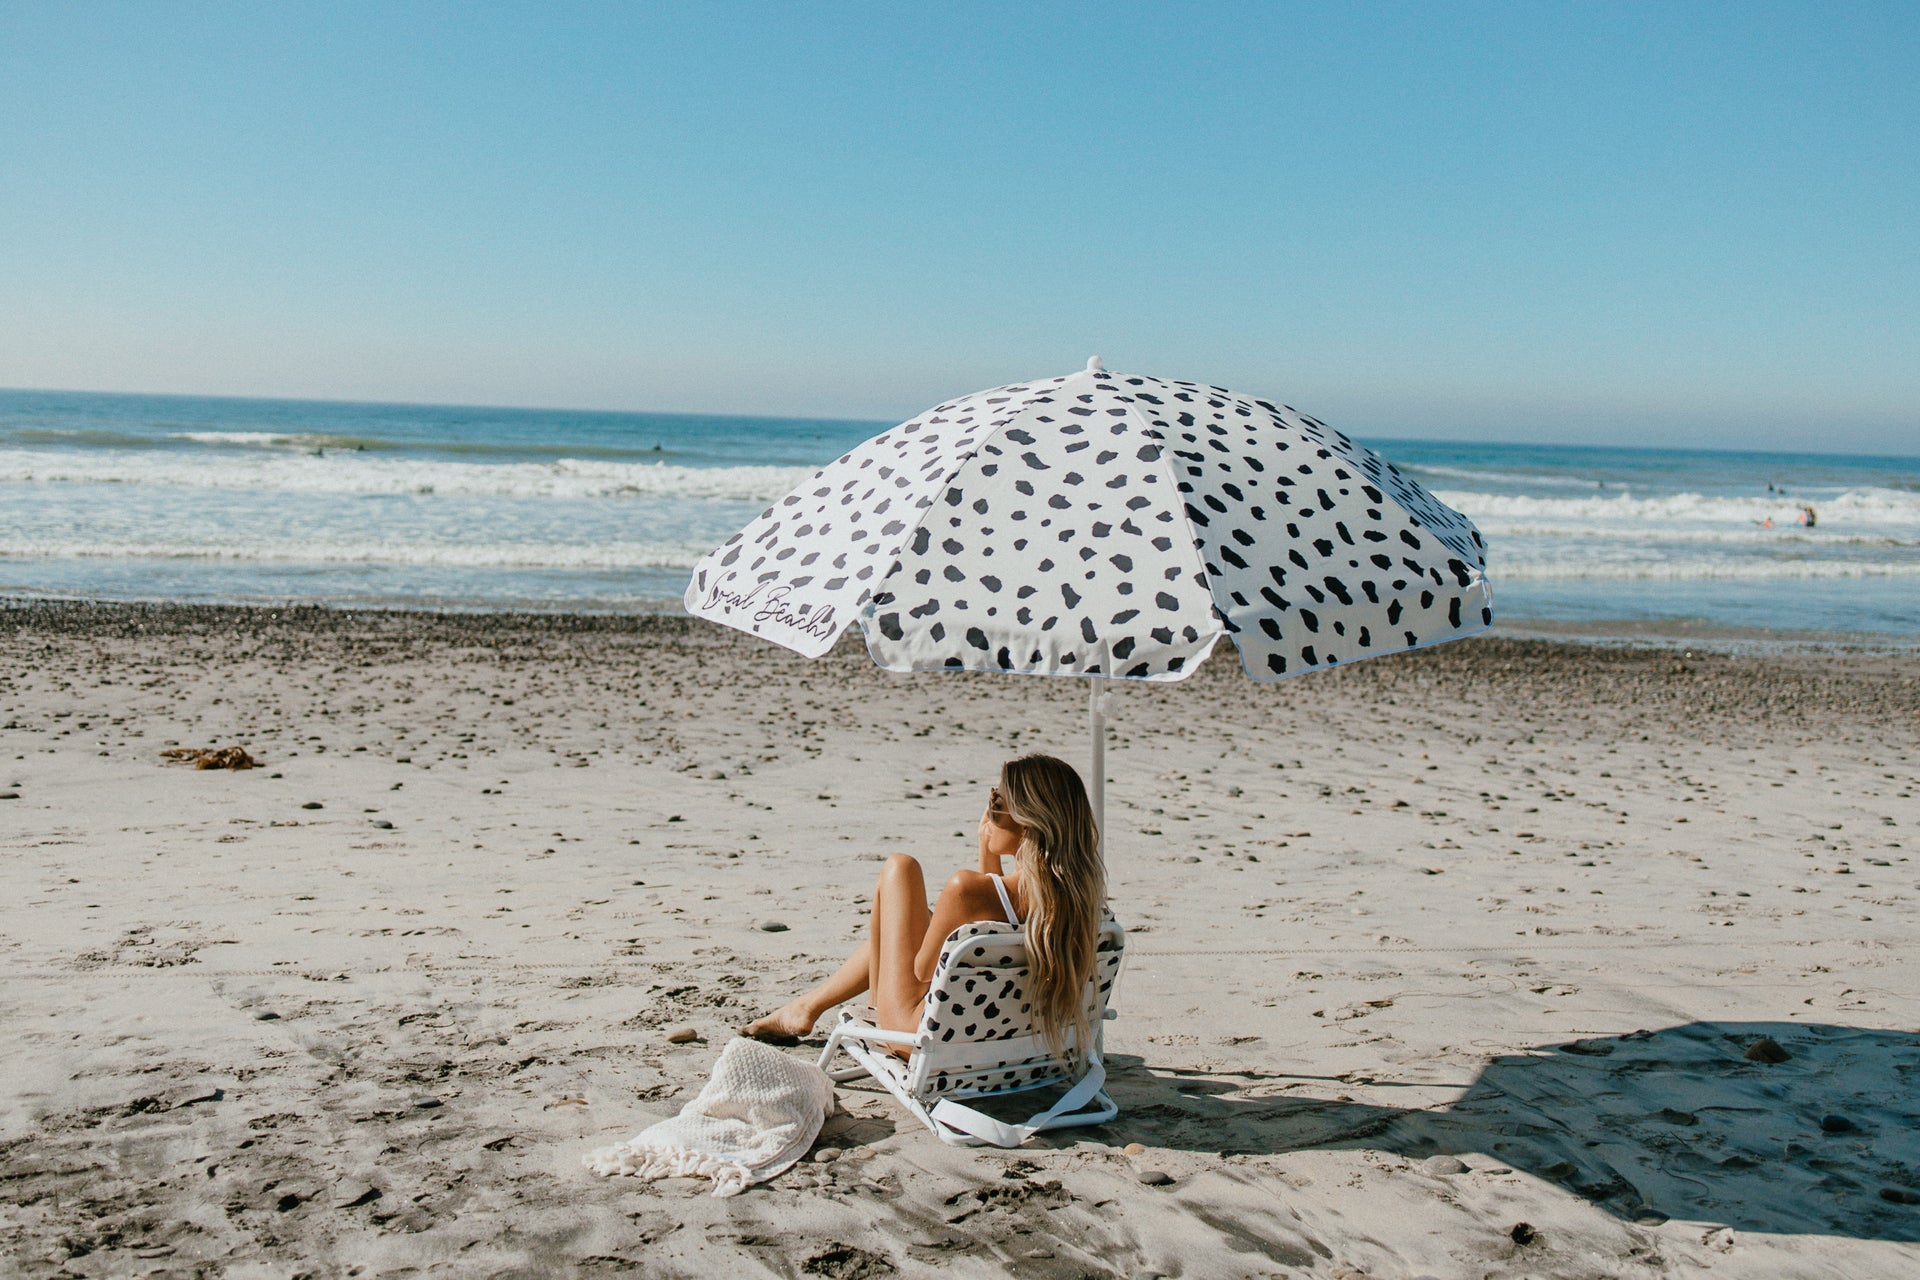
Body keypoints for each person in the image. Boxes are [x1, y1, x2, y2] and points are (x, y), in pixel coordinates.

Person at [743, 754, 1108, 1061]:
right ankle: (807, 1007)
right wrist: (988, 847)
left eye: (997, 803)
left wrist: (983, 849)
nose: (989, 810)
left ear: (1027, 822)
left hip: (918, 1035)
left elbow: (920, 971)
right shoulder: (1079, 903)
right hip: (1006, 1041)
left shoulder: (966, 889)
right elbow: (993, 913)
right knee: (921, 923)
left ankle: (809, 1007)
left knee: (900, 868)